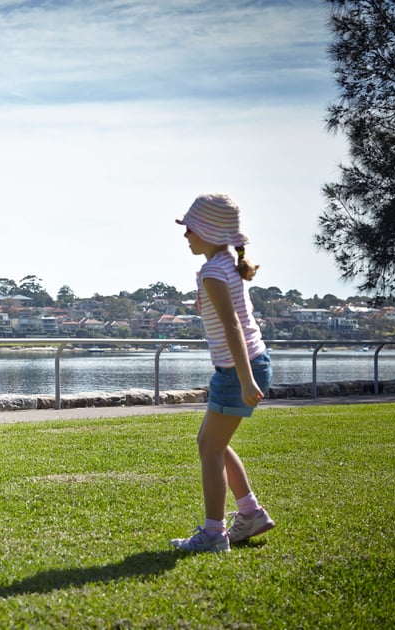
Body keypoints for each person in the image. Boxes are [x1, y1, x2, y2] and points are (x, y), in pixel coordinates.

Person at [169, 194, 275, 552]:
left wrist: (245, 380)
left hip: (236, 369)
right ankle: (250, 514)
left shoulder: (214, 271)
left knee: (210, 449)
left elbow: (232, 327)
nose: (186, 235)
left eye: (191, 228)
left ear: (211, 230)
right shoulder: (226, 263)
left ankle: (214, 535)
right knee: (211, 443)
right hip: (240, 366)